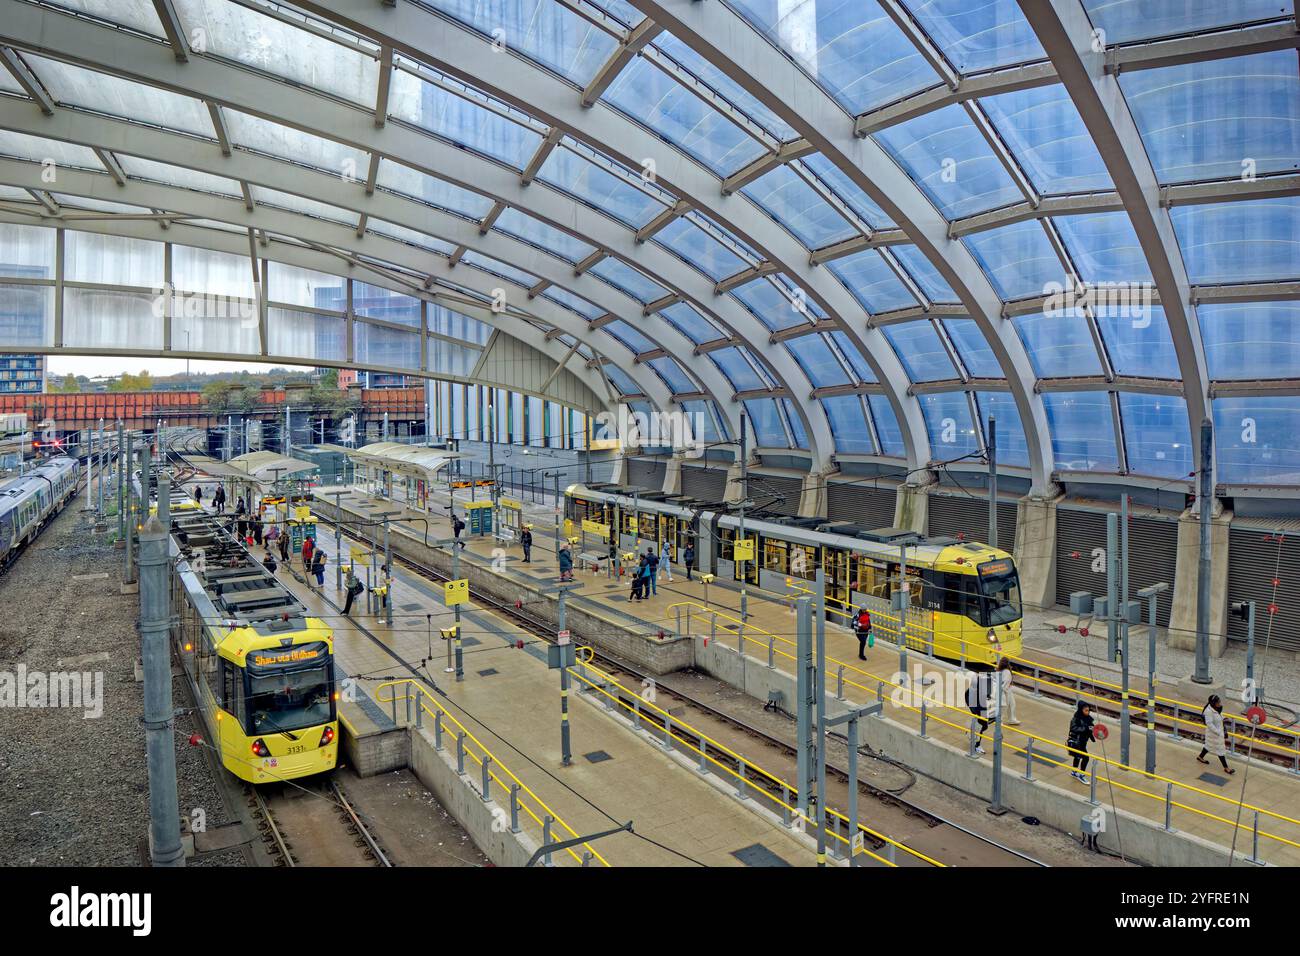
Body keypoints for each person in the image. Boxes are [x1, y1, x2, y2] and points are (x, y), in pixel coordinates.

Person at [1198, 694, 1234, 774]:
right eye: (1218, 702)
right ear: (1213, 703)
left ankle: (1200, 757)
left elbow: (1219, 715)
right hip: (1214, 734)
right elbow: (1209, 724)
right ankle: (1226, 768)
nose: (1220, 703)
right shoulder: (1208, 712)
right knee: (1220, 750)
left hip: (1215, 733)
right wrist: (1218, 732)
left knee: (1208, 746)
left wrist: (1223, 718)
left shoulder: (1216, 708)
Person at [965, 671, 993, 755]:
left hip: (979, 707)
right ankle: (977, 746)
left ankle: (971, 733)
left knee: (983, 726)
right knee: (982, 726)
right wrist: (977, 713)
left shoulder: (980, 685)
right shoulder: (976, 690)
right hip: (977, 708)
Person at [1067, 702, 1096, 781]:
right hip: (1077, 741)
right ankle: (1081, 775)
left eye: (1088, 710)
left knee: (1077, 757)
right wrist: (1085, 729)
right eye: (1086, 710)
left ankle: (1074, 771)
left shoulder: (1088, 718)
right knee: (1086, 758)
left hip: (1083, 742)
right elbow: (1073, 728)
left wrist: (1092, 734)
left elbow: (1090, 728)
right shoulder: (1076, 718)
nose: (1087, 712)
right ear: (1081, 710)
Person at [996, 657, 1020, 725]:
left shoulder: (999, 670)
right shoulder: (1007, 672)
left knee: (1012, 704)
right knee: (1004, 706)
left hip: (1005, 690)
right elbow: (1005, 683)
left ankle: (1012, 719)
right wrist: (1004, 691)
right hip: (1005, 691)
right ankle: (1000, 720)